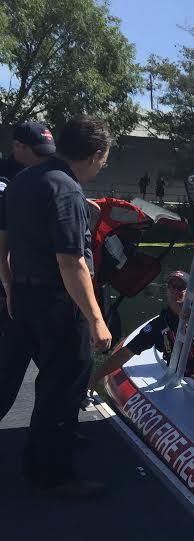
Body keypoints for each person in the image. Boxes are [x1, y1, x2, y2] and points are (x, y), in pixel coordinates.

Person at [5, 115, 113, 497]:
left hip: (24, 296)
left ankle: (35, 464)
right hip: (56, 302)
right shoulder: (65, 189)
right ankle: (53, 479)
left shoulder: (23, 180)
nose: (103, 166)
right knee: (62, 388)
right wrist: (96, 320)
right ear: (95, 154)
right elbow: (72, 262)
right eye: (104, 158)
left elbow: (4, 241)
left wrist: (9, 287)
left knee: (48, 384)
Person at [91, 270, 194, 422]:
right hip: (182, 375)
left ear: (190, 292)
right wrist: (97, 376)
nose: (176, 291)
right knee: (187, 387)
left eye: (181, 287)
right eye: (172, 286)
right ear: (167, 290)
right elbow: (125, 353)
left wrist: (191, 319)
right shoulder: (158, 325)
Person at [0, 122, 57, 423]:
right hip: (11, 286)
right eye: (37, 152)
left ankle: (60, 426)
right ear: (17, 147)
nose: (42, 159)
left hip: (26, 290)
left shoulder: (43, 178)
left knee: (54, 368)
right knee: (10, 371)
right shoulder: (11, 180)